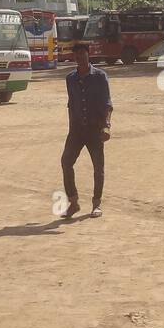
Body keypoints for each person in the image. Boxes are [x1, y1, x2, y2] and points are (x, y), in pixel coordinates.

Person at [61, 41, 111, 218]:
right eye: (77, 55)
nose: (80, 58)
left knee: (98, 167)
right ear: (74, 57)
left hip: (94, 130)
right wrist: (71, 129)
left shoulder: (100, 77)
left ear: (88, 55)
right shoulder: (70, 79)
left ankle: (97, 204)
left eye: (83, 54)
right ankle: (73, 202)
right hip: (76, 130)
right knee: (66, 162)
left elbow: (107, 104)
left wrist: (106, 126)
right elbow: (71, 104)